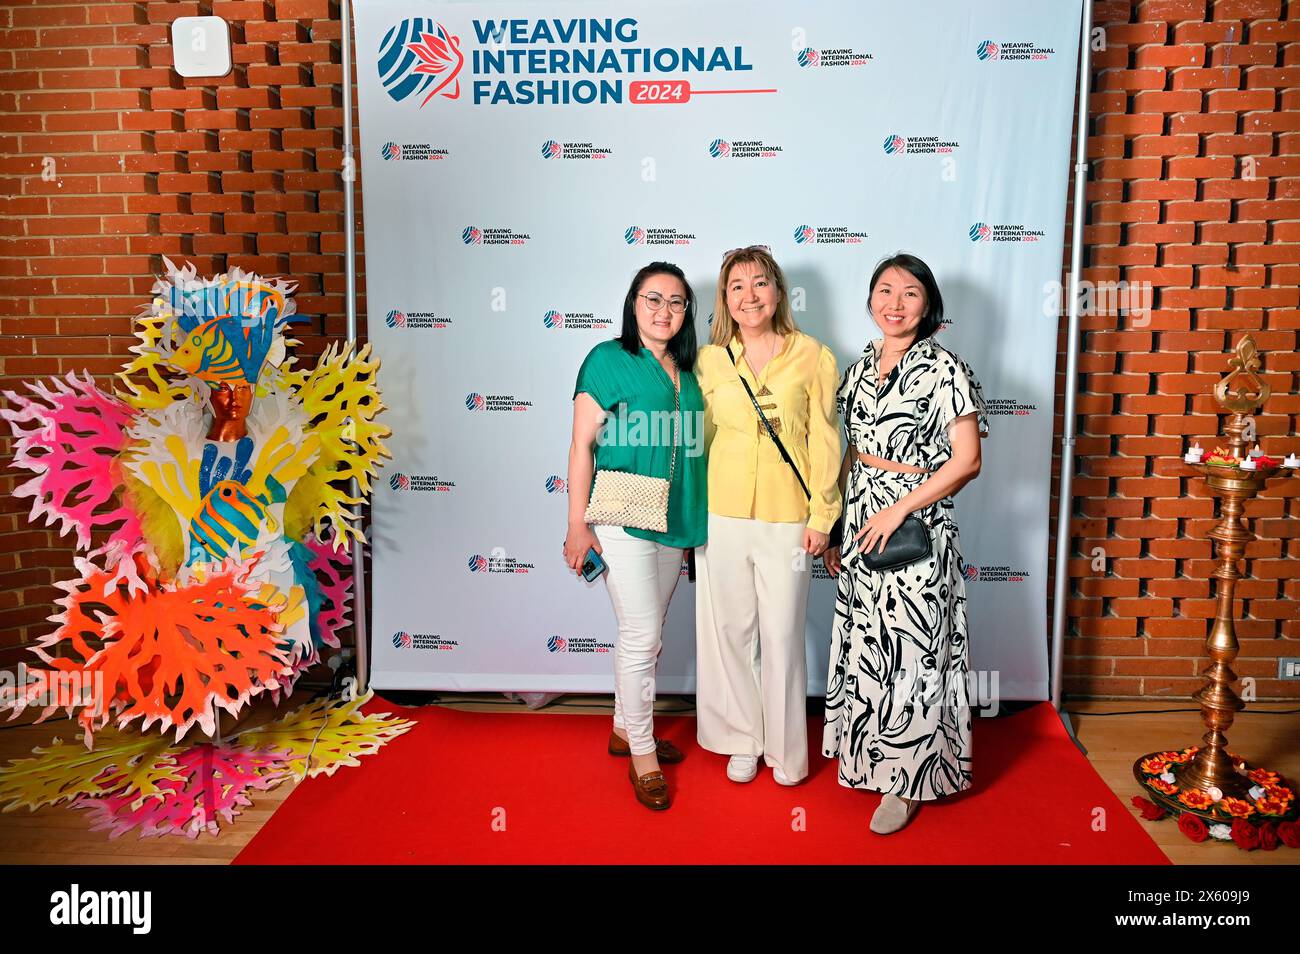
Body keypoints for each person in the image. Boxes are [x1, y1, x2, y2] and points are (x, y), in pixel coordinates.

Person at [821, 252, 987, 834]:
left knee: (914, 648)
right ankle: (868, 759)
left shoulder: (945, 368)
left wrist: (899, 507)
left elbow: (968, 460)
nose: (895, 303)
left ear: (927, 304)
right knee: (869, 643)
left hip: (917, 524)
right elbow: (851, 450)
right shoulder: (858, 367)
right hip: (863, 517)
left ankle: (908, 780)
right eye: (884, 291)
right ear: (870, 300)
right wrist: (839, 521)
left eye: (909, 293)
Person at [563, 262, 708, 811]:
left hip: (678, 515)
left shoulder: (692, 369)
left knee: (648, 631)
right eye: (653, 299)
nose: (664, 311)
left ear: (687, 311)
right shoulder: (607, 360)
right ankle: (643, 755)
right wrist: (577, 523)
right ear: (633, 303)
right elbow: (581, 447)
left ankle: (625, 726)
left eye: (676, 302)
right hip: (622, 513)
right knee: (642, 635)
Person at [694, 246, 841, 786]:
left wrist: (823, 515)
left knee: (780, 635)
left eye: (760, 283)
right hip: (722, 513)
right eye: (737, 286)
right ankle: (741, 739)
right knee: (731, 631)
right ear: (725, 299)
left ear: (779, 292)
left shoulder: (813, 355)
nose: (749, 295)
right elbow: (699, 441)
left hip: (789, 516)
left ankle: (785, 751)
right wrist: (688, 516)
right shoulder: (710, 360)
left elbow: (826, 440)